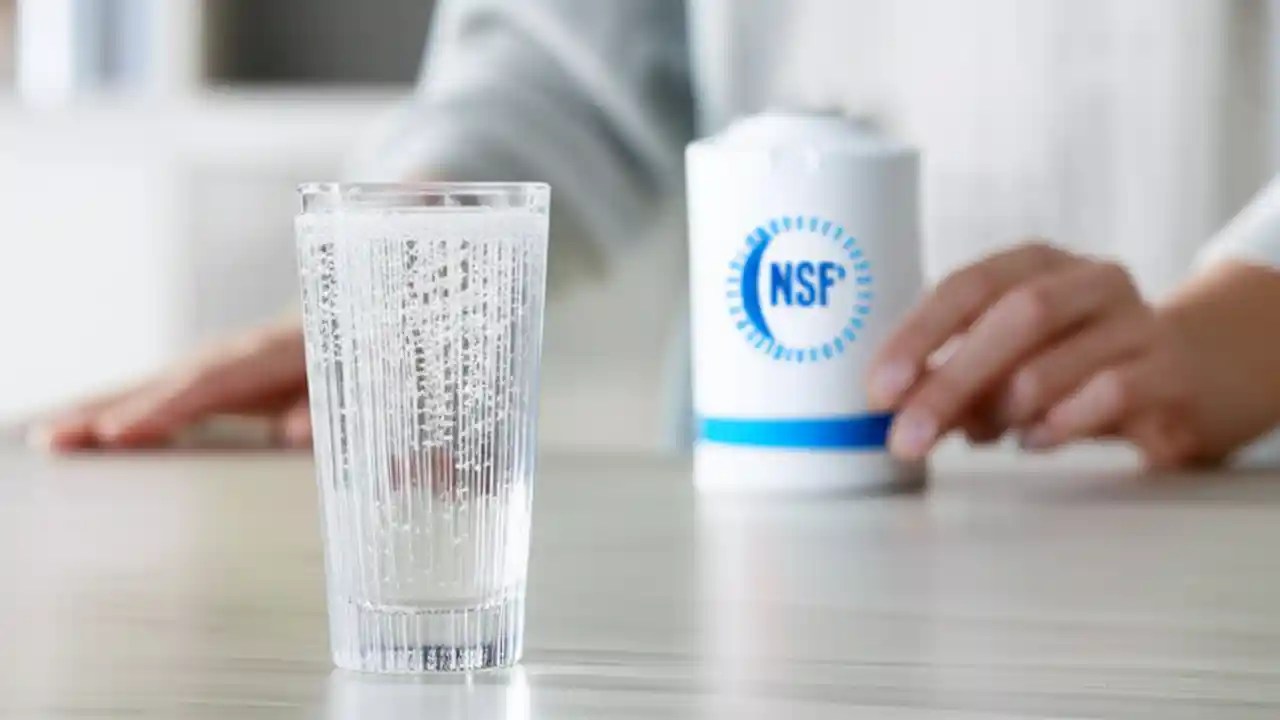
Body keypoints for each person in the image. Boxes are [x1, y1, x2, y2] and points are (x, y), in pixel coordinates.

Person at [30, 0, 1280, 467]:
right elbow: (567, 55)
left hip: (1221, 532)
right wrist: (409, 273)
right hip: (770, 548)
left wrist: (1248, 315)